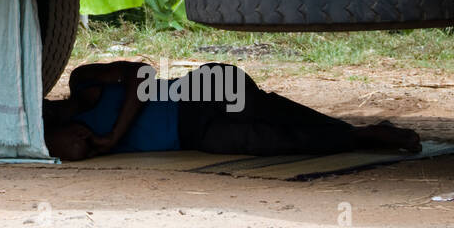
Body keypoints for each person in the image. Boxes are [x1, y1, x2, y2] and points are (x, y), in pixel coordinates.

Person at [43, 61, 421, 162]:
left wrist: (113, 136)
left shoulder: (84, 83)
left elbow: (142, 74)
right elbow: (72, 149)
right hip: (194, 137)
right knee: (271, 141)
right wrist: (99, 143)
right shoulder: (71, 146)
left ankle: (359, 132)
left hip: (197, 91)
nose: (81, 142)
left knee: (269, 110)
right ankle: (360, 136)